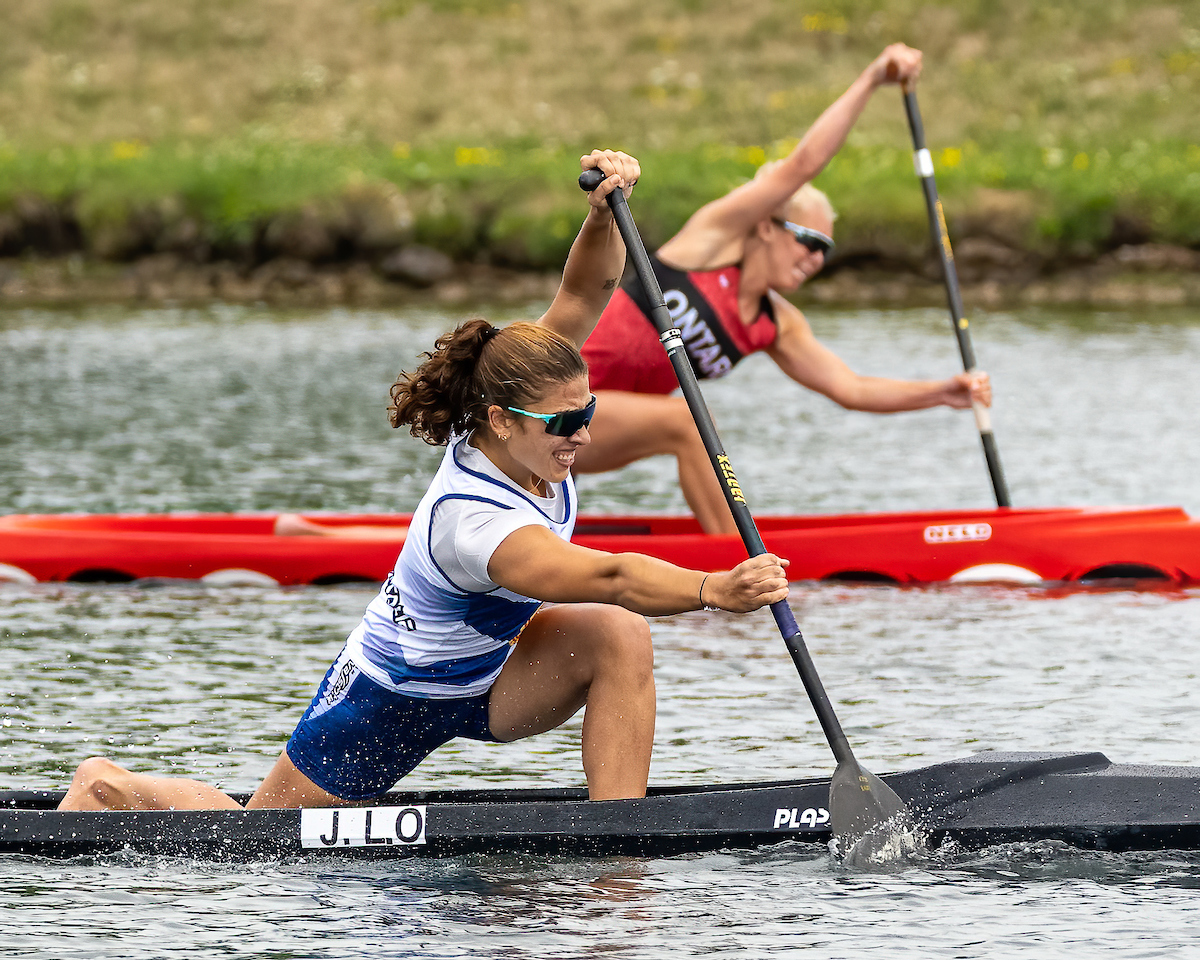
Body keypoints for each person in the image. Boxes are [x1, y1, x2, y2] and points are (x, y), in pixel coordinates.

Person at [58, 150, 790, 813]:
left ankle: (620, 837)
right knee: (262, 837)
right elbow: (610, 574)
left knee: (618, 639)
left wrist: (600, 215)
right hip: (387, 699)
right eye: (566, 424)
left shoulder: (530, 405)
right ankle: (109, 786)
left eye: (588, 411)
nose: (585, 434)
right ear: (502, 423)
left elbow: (585, 289)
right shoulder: (476, 521)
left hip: (487, 680)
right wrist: (712, 590)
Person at [575, 44, 992, 535]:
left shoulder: (776, 324)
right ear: (769, 227)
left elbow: (852, 389)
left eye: (827, 251)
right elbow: (801, 166)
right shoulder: (711, 242)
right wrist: (873, 77)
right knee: (688, 420)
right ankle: (738, 568)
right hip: (553, 402)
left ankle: (726, 559)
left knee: (685, 421)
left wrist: (943, 392)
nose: (815, 260)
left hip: (593, 428)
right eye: (810, 241)